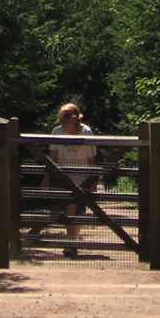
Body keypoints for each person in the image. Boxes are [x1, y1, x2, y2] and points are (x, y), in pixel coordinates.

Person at [40, 102, 97, 256]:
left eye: (66, 122)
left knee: (79, 211)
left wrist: (93, 181)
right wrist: (46, 177)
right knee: (69, 208)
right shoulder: (57, 132)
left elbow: (91, 159)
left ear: (73, 120)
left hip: (82, 177)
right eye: (62, 122)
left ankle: (73, 241)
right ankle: (71, 244)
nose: (63, 125)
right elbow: (52, 156)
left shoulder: (86, 133)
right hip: (64, 176)